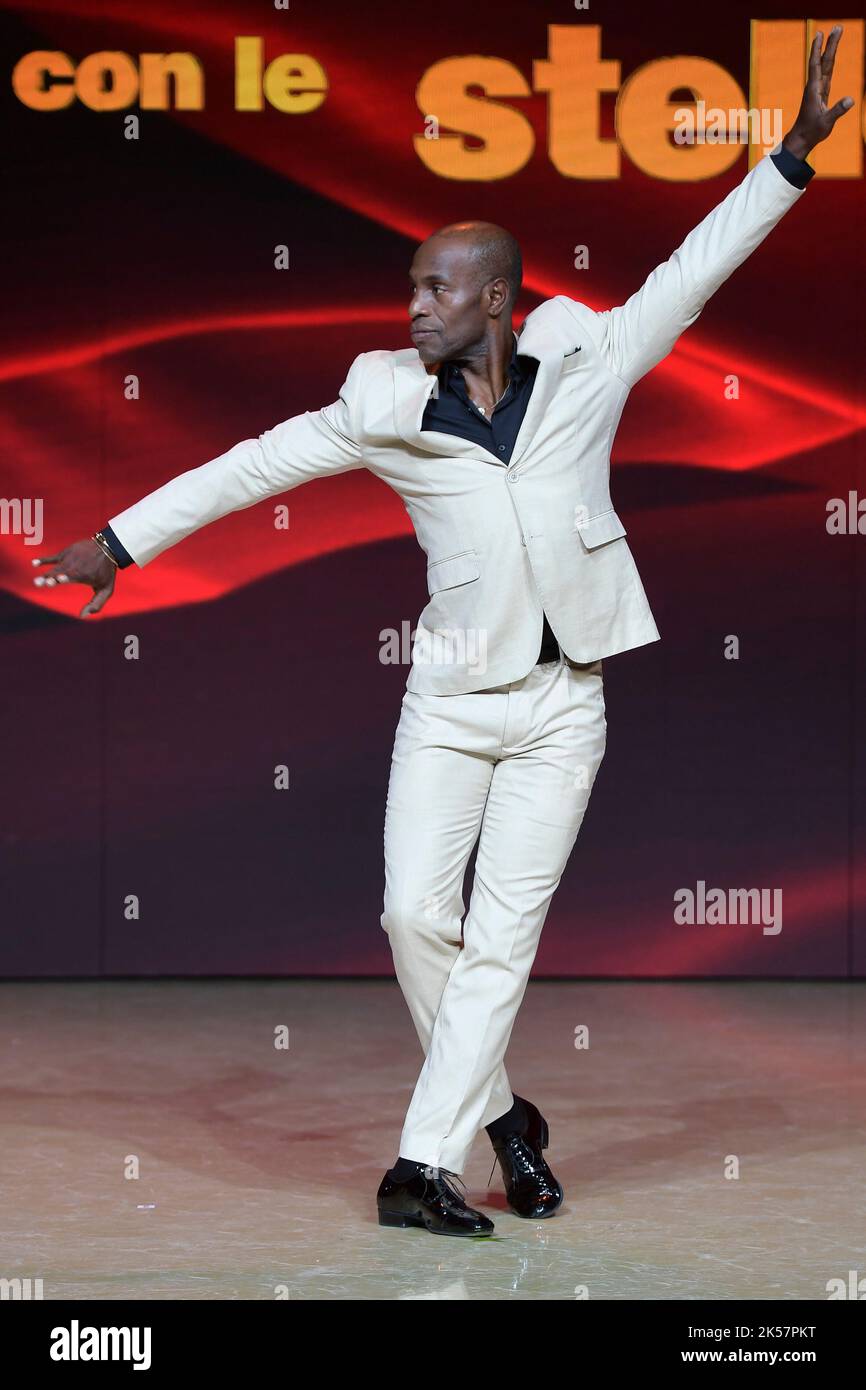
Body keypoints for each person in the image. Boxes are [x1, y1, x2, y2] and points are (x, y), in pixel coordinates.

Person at [33, 31, 852, 1237]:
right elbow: (250, 464)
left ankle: (419, 1163)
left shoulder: (588, 358)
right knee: (414, 917)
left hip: (562, 704)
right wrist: (120, 540)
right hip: (454, 698)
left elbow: (692, 270)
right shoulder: (382, 400)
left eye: (434, 289)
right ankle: (507, 1120)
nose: (412, 306)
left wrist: (783, 161)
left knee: (501, 940)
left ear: (497, 302)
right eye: (410, 287)